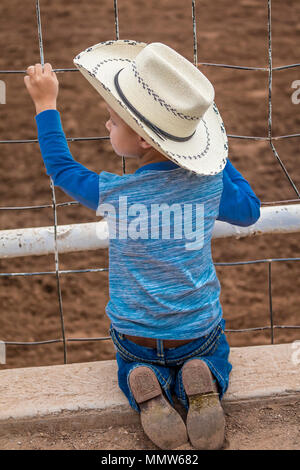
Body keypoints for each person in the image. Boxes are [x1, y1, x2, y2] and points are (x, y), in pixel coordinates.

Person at [24, 40, 260, 450]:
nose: (106, 126)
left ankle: (144, 387)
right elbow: (250, 210)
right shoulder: (209, 188)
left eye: (113, 121)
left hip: (134, 332)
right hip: (197, 330)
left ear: (144, 141)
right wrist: (214, 156)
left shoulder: (113, 192)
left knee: (133, 363)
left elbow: (61, 169)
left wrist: (46, 105)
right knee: (213, 355)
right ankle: (203, 379)